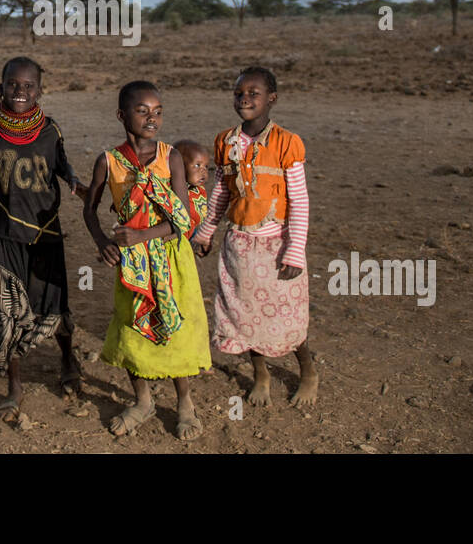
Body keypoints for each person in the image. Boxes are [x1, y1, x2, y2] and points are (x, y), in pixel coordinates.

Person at [0, 57, 87, 418]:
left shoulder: (51, 130)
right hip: (5, 231)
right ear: (0, 88)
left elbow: (62, 165)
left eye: (29, 86)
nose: (20, 92)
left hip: (45, 231)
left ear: (40, 91)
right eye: (13, 84)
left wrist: (75, 181)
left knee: (55, 304)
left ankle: (67, 359)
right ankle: (15, 386)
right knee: (8, 309)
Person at [83, 80, 211, 440]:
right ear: (122, 115)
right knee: (132, 330)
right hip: (133, 265)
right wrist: (102, 241)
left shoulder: (171, 157)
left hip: (171, 258)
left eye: (158, 111)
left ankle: (185, 402)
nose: (152, 118)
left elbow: (183, 219)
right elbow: (89, 209)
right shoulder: (108, 161)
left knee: (175, 328)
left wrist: (143, 235)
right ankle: (142, 401)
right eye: (142, 111)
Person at [193, 66, 318, 408]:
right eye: (239, 94)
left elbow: (300, 200)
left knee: (286, 316)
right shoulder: (225, 141)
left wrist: (295, 250)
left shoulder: (287, 143)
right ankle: (260, 373)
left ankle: (307, 369)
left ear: (271, 99)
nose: (245, 99)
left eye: (254, 93)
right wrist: (206, 231)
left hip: (277, 247)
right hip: (239, 246)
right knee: (244, 316)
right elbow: (221, 192)